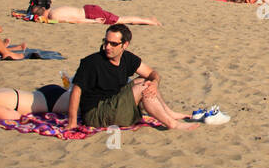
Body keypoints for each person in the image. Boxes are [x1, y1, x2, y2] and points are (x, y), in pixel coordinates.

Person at [66, 24, 198, 130]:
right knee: (143, 88)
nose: (107, 47)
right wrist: (72, 122)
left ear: (125, 45)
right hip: (97, 112)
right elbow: (76, 90)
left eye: (113, 44)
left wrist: (155, 83)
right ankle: (172, 124)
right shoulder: (92, 62)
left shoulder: (127, 58)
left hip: (114, 102)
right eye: (105, 42)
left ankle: (169, 113)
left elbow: (153, 74)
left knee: (145, 81)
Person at [30, 4, 159, 26]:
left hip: (90, 14)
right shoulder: (54, 9)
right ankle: (148, 20)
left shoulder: (54, 16)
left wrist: (94, 22)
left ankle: (150, 21)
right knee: (120, 19)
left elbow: (75, 21)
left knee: (121, 20)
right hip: (87, 8)